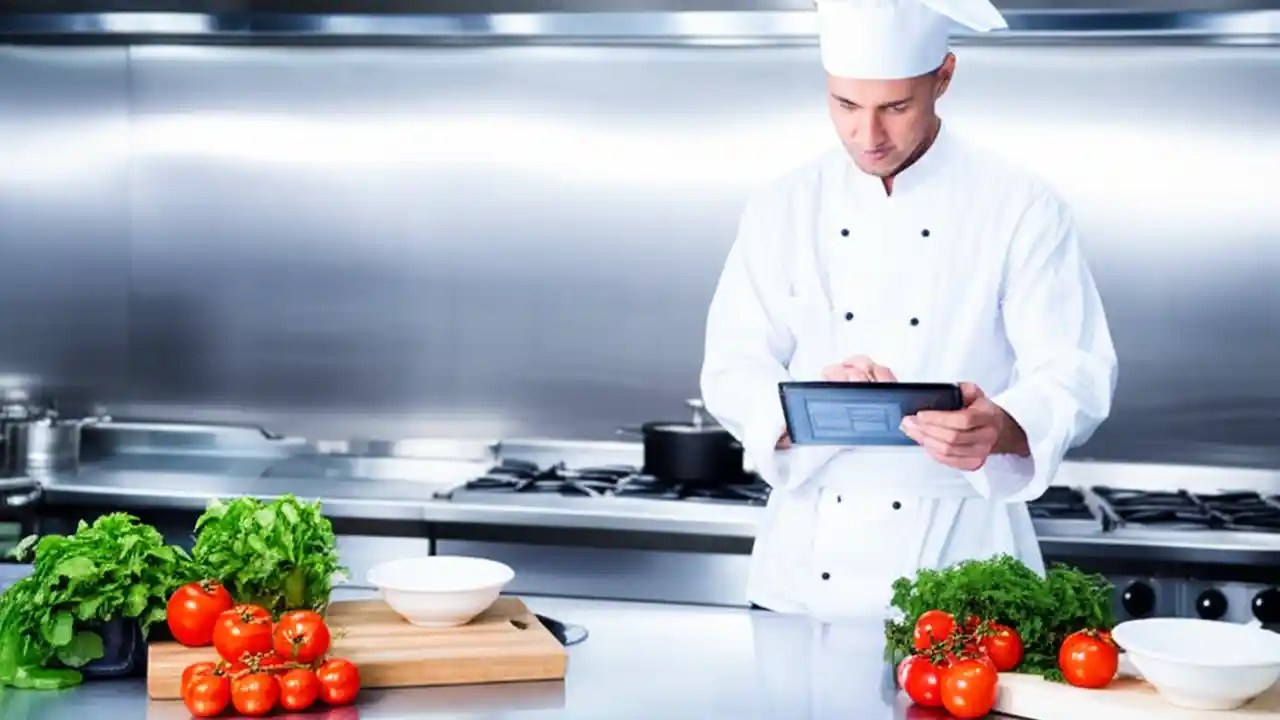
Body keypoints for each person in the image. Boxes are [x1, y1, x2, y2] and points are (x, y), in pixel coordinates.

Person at [699, 0, 1118, 620]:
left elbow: (1076, 368)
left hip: (966, 561)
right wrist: (806, 404)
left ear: (943, 78)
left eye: (895, 107)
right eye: (844, 105)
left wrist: (1000, 424)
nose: (867, 136)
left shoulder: (1020, 205)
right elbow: (732, 367)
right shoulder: (782, 206)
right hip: (804, 572)